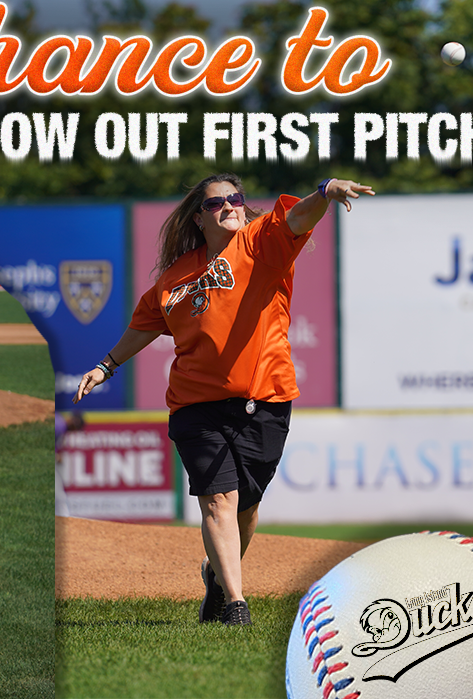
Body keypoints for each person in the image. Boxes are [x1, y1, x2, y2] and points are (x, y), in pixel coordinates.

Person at [73, 174, 374, 626]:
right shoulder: (175, 277)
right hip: (196, 404)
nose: (230, 206)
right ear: (199, 217)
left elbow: (296, 218)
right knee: (218, 501)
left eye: (236, 199)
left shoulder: (260, 242)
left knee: (246, 509)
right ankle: (235, 604)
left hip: (265, 398)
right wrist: (105, 366)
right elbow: (144, 327)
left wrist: (325, 192)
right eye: (217, 203)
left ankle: (215, 576)